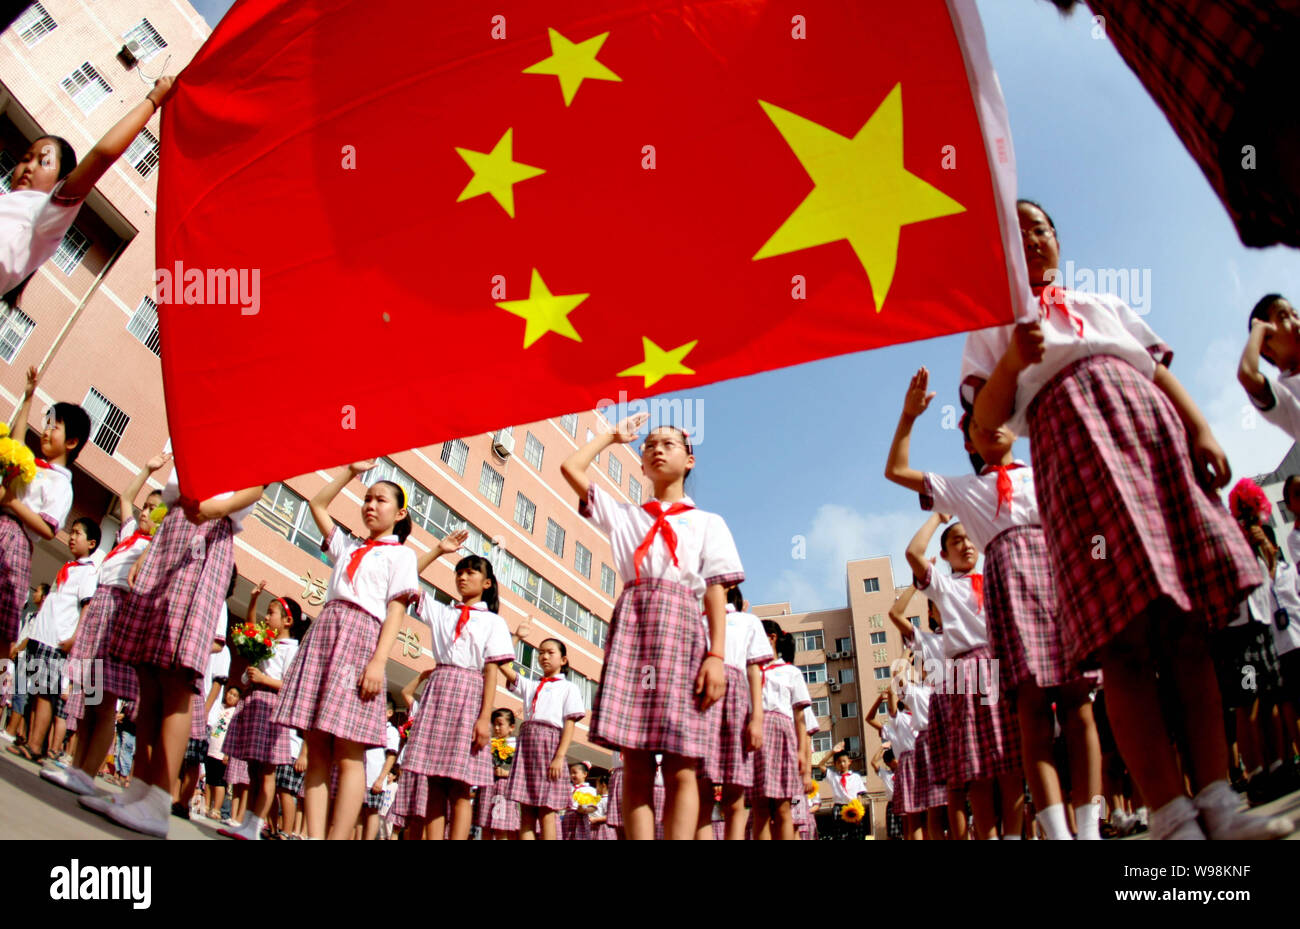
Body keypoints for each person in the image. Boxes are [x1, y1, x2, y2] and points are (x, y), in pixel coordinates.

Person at [966, 199, 1289, 839]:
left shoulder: (1100, 303)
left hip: (1149, 437)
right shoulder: (993, 327)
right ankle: (1171, 815)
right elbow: (984, 426)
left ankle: (1221, 803)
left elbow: (1157, 372)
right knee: (1123, 640)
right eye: (1019, 231)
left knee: (1188, 628)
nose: (1033, 238)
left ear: (1058, 239)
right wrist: (1012, 362)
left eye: (1042, 228)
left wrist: (1200, 428)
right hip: (1073, 453)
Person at [561, 415, 743, 839]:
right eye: (648, 446)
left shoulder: (708, 523)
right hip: (635, 629)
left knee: (683, 762)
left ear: (690, 460)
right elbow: (571, 468)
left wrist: (716, 656)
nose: (657, 450)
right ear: (641, 464)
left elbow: (716, 592)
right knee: (636, 758)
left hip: (684, 632)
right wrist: (611, 436)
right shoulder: (624, 516)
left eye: (668, 444)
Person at [271, 462, 418, 840]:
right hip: (325, 635)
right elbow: (318, 504)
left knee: (350, 752)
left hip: (362, 639)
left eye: (380, 500)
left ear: (399, 513)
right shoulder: (350, 546)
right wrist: (351, 473)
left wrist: (379, 661)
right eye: (367, 498)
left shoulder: (401, 556)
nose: (370, 505)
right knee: (316, 744)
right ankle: (314, 836)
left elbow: (396, 611)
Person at [47, 454, 169, 795]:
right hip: (101, 607)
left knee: (104, 702)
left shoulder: (154, 548)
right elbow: (126, 497)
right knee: (90, 698)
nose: (145, 512)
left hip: (119, 612)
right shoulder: (131, 535)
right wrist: (147, 468)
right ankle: (77, 768)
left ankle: (87, 773)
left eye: (154, 509)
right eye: (147, 507)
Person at [396, 529, 513, 841]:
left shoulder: (493, 622)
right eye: (459, 572)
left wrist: (484, 717)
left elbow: (491, 671)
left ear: (487, 583)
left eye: (471, 572)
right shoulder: (442, 611)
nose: (463, 577)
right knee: (433, 779)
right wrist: (438, 550)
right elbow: (405, 577)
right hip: (439, 690)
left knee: (460, 784)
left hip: (470, 694)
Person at [0, 369, 88, 669]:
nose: (46, 431)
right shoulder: (33, 466)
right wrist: (27, 397)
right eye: (46, 424)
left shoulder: (61, 483)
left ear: (72, 442)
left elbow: (49, 528)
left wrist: (11, 501)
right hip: (2, 527)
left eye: (55, 427)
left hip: (15, 542)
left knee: (2, 623)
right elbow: (17, 440)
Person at [10, 517, 98, 763]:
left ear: (91, 543)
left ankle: (37, 745)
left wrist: (74, 638)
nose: (72, 536)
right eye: (72, 532)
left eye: (78, 533)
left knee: (45, 693)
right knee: (34, 690)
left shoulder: (88, 572)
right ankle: (28, 740)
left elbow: (87, 607)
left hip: (57, 640)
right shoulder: (71, 567)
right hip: (42, 636)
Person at [218, 590, 302, 840]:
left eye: (272, 613)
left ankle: (255, 826)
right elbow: (251, 629)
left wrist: (264, 678)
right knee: (253, 769)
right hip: (254, 701)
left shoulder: (291, 649)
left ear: (288, 621)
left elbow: (289, 684)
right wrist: (251, 676)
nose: (267, 617)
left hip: (271, 707)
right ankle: (247, 821)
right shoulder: (267, 644)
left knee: (266, 771)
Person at [698, 585, 769, 840]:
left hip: (734, 701)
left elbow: (754, 671)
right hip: (699, 697)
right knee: (700, 792)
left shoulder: (746, 621)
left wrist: (757, 719)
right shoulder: (696, 620)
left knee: (735, 795)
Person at [500, 636, 585, 840]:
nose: (544, 656)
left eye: (550, 652)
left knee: (547, 810)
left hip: (550, 746)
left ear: (563, 660)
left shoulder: (569, 688)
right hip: (527, 746)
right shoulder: (531, 686)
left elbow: (570, 725)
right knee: (526, 811)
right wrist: (517, 637)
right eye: (540, 652)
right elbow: (502, 664)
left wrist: (559, 756)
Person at [751, 621, 811, 840]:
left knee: (784, 808)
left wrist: (802, 753)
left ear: (772, 637)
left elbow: (800, 718)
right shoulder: (751, 671)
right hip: (755, 736)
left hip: (782, 736)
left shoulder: (790, 672)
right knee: (759, 810)